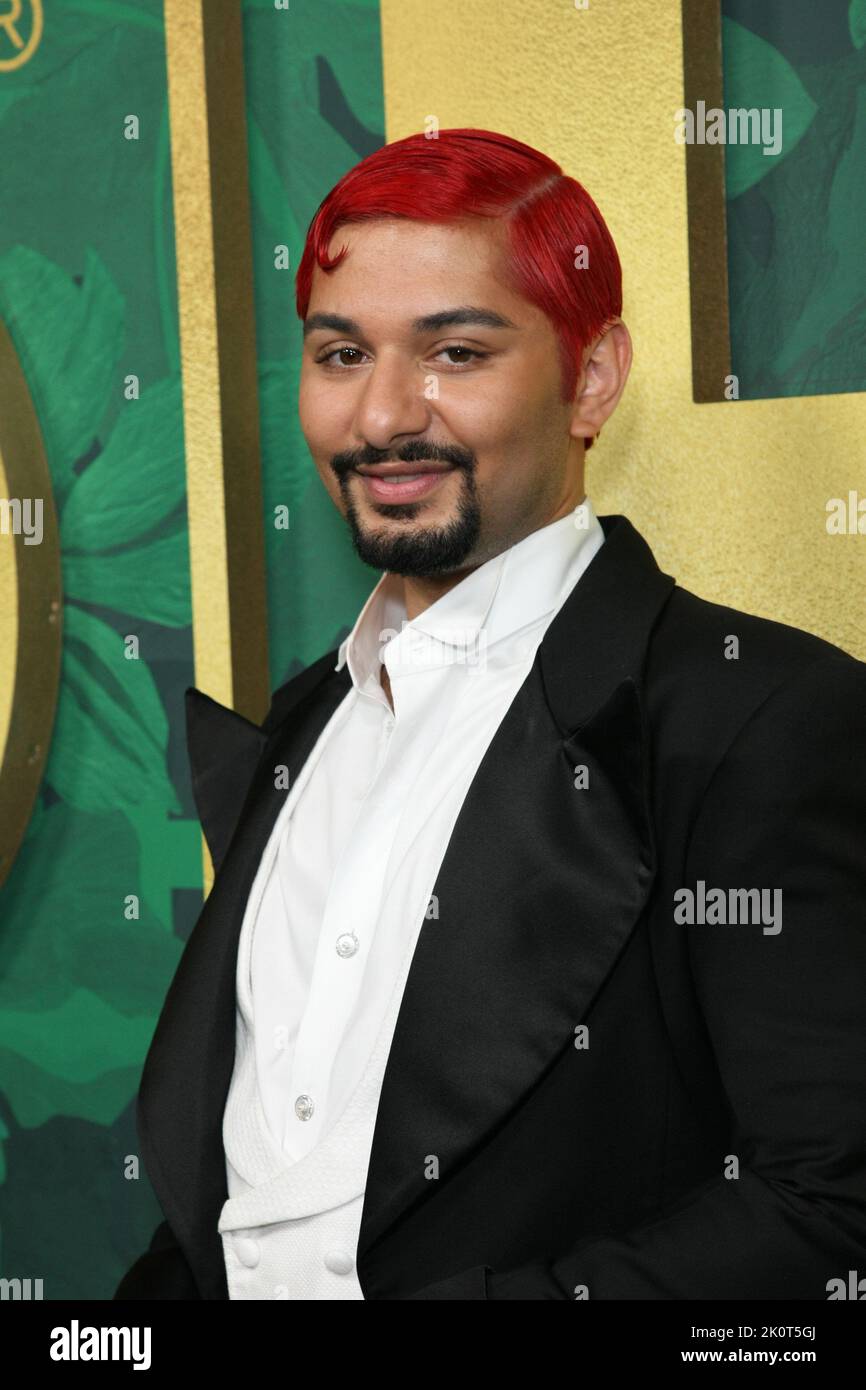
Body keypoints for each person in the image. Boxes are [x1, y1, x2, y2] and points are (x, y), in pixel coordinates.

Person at [115, 129, 866, 1301]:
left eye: (454, 352)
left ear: (593, 377)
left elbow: (830, 1212)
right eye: (340, 352)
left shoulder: (755, 715)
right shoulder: (301, 722)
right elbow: (238, 1192)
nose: (381, 416)